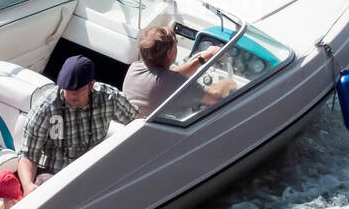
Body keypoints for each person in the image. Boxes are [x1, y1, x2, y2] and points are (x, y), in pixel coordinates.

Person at [17, 55, 136, 194]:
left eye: (78, 89)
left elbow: (135, 122)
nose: (72, 95)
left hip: (94, 172)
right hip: (55, 176)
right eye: (68, 89)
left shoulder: (110, 98)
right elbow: (28, 154)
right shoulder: (46, 108)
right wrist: (27, 185)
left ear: (92, 85)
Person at [122, 25, 220, 118]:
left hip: (137, 125)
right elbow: (214, 98)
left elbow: (170, 75)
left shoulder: (135, 68)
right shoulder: (173, 81)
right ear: (169, 53)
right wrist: (229, 83)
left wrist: (203, 58)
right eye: (175, 45)